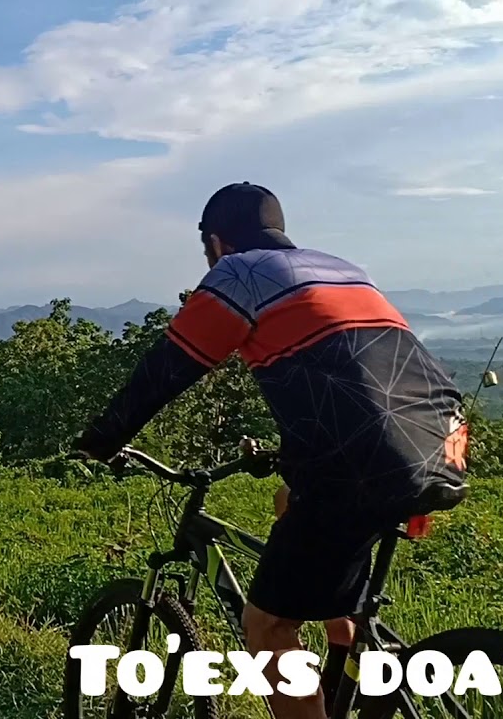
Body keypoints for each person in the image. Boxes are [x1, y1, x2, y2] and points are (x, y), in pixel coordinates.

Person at [72, 182, 468, 719]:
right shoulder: (343, 269)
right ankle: (344, 653)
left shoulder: (238, 274)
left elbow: (165, 370)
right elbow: (353, 380)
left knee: (266, 627)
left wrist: (100, 440)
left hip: (361, 462)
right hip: (442, 440)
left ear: (216, 243)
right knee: (290, 502)